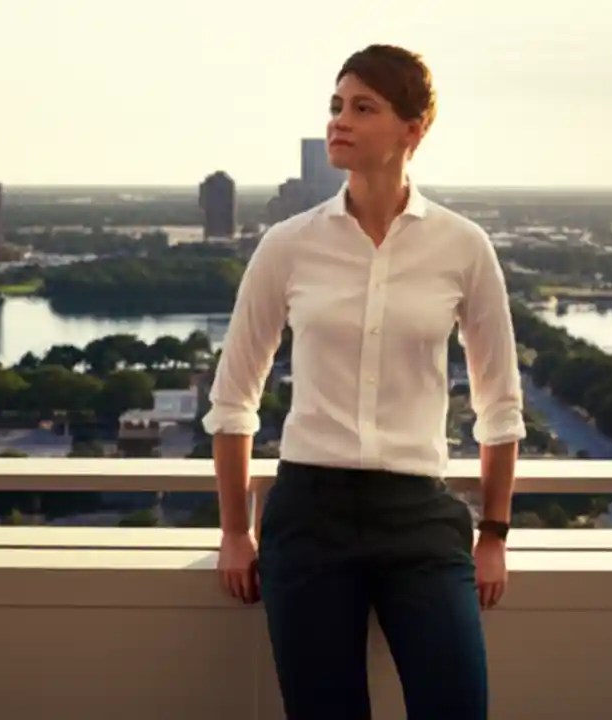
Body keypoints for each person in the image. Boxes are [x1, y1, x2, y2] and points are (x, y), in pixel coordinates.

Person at [201, 44, 525, 719]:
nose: (339, 121)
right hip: (308, 517)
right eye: (336, 106)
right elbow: (234, 401)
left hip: (420, 519)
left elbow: (500, 406)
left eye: (363, 107)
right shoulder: (288, 245)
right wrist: (236, 530)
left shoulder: (463, 248)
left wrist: (493, 534)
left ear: (414, 130)